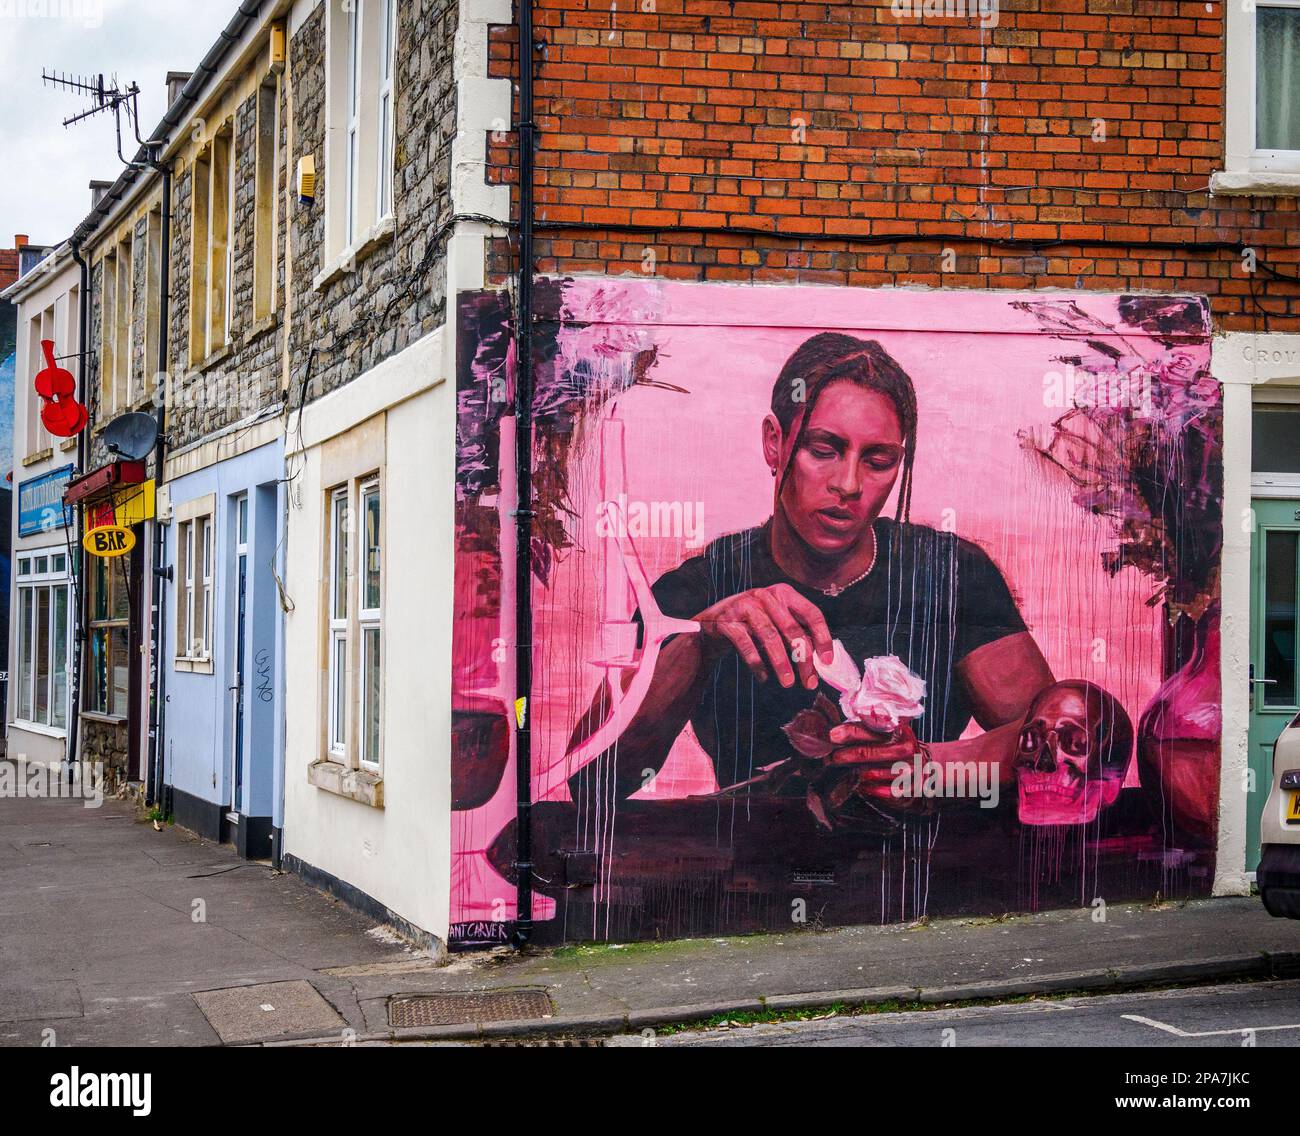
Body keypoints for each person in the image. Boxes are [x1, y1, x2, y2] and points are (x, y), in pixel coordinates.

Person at [567, 332, 1057, 809]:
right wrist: (698, 643)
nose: (848, 483)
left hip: (916, 876)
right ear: (774, 443)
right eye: (824, 450)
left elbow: (1063, 736)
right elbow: (590, 782)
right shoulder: (701, 586)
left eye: (878, 460)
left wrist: (928, 767)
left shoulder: (951, 574)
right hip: (753, 876)